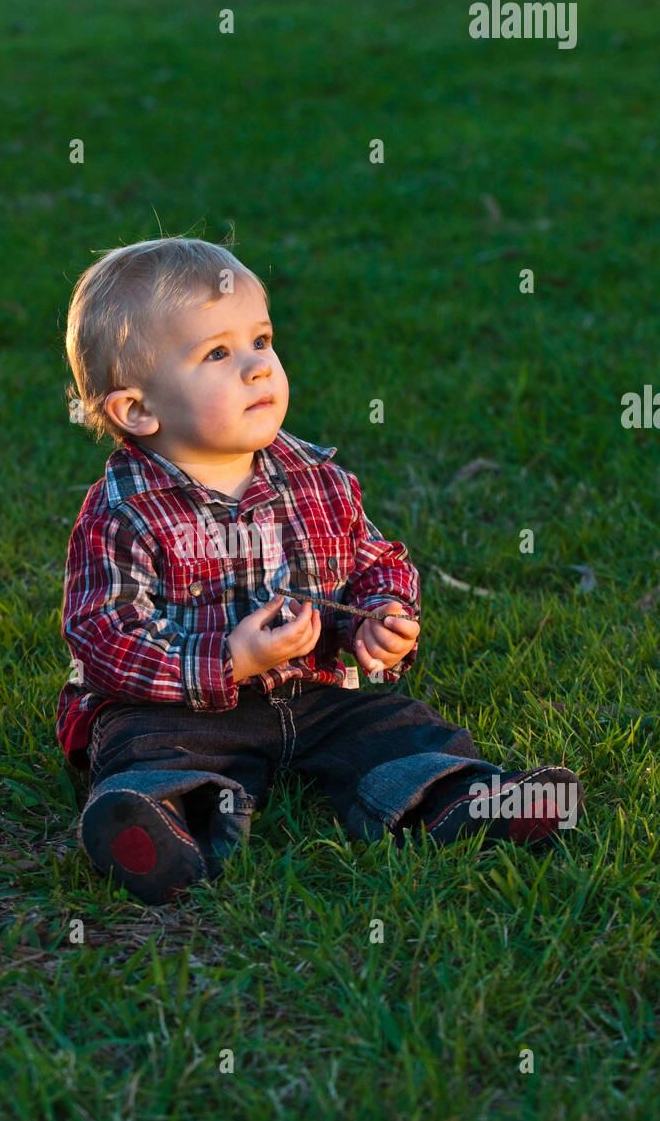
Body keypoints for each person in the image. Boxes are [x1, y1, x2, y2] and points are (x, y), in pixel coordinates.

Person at [56, 237, 584, 904]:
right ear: (137, 410)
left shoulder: (316, 478)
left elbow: (372, 561)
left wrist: (384, 617)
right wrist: (228, 657)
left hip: (318, 693)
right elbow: (103, 634)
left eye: (260, 340)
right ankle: (161, 825)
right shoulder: (124, 511)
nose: (255, 368)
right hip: (183, 706)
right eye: (217, 353)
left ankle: (464, 800)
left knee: (398, 727)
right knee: (148, 749)